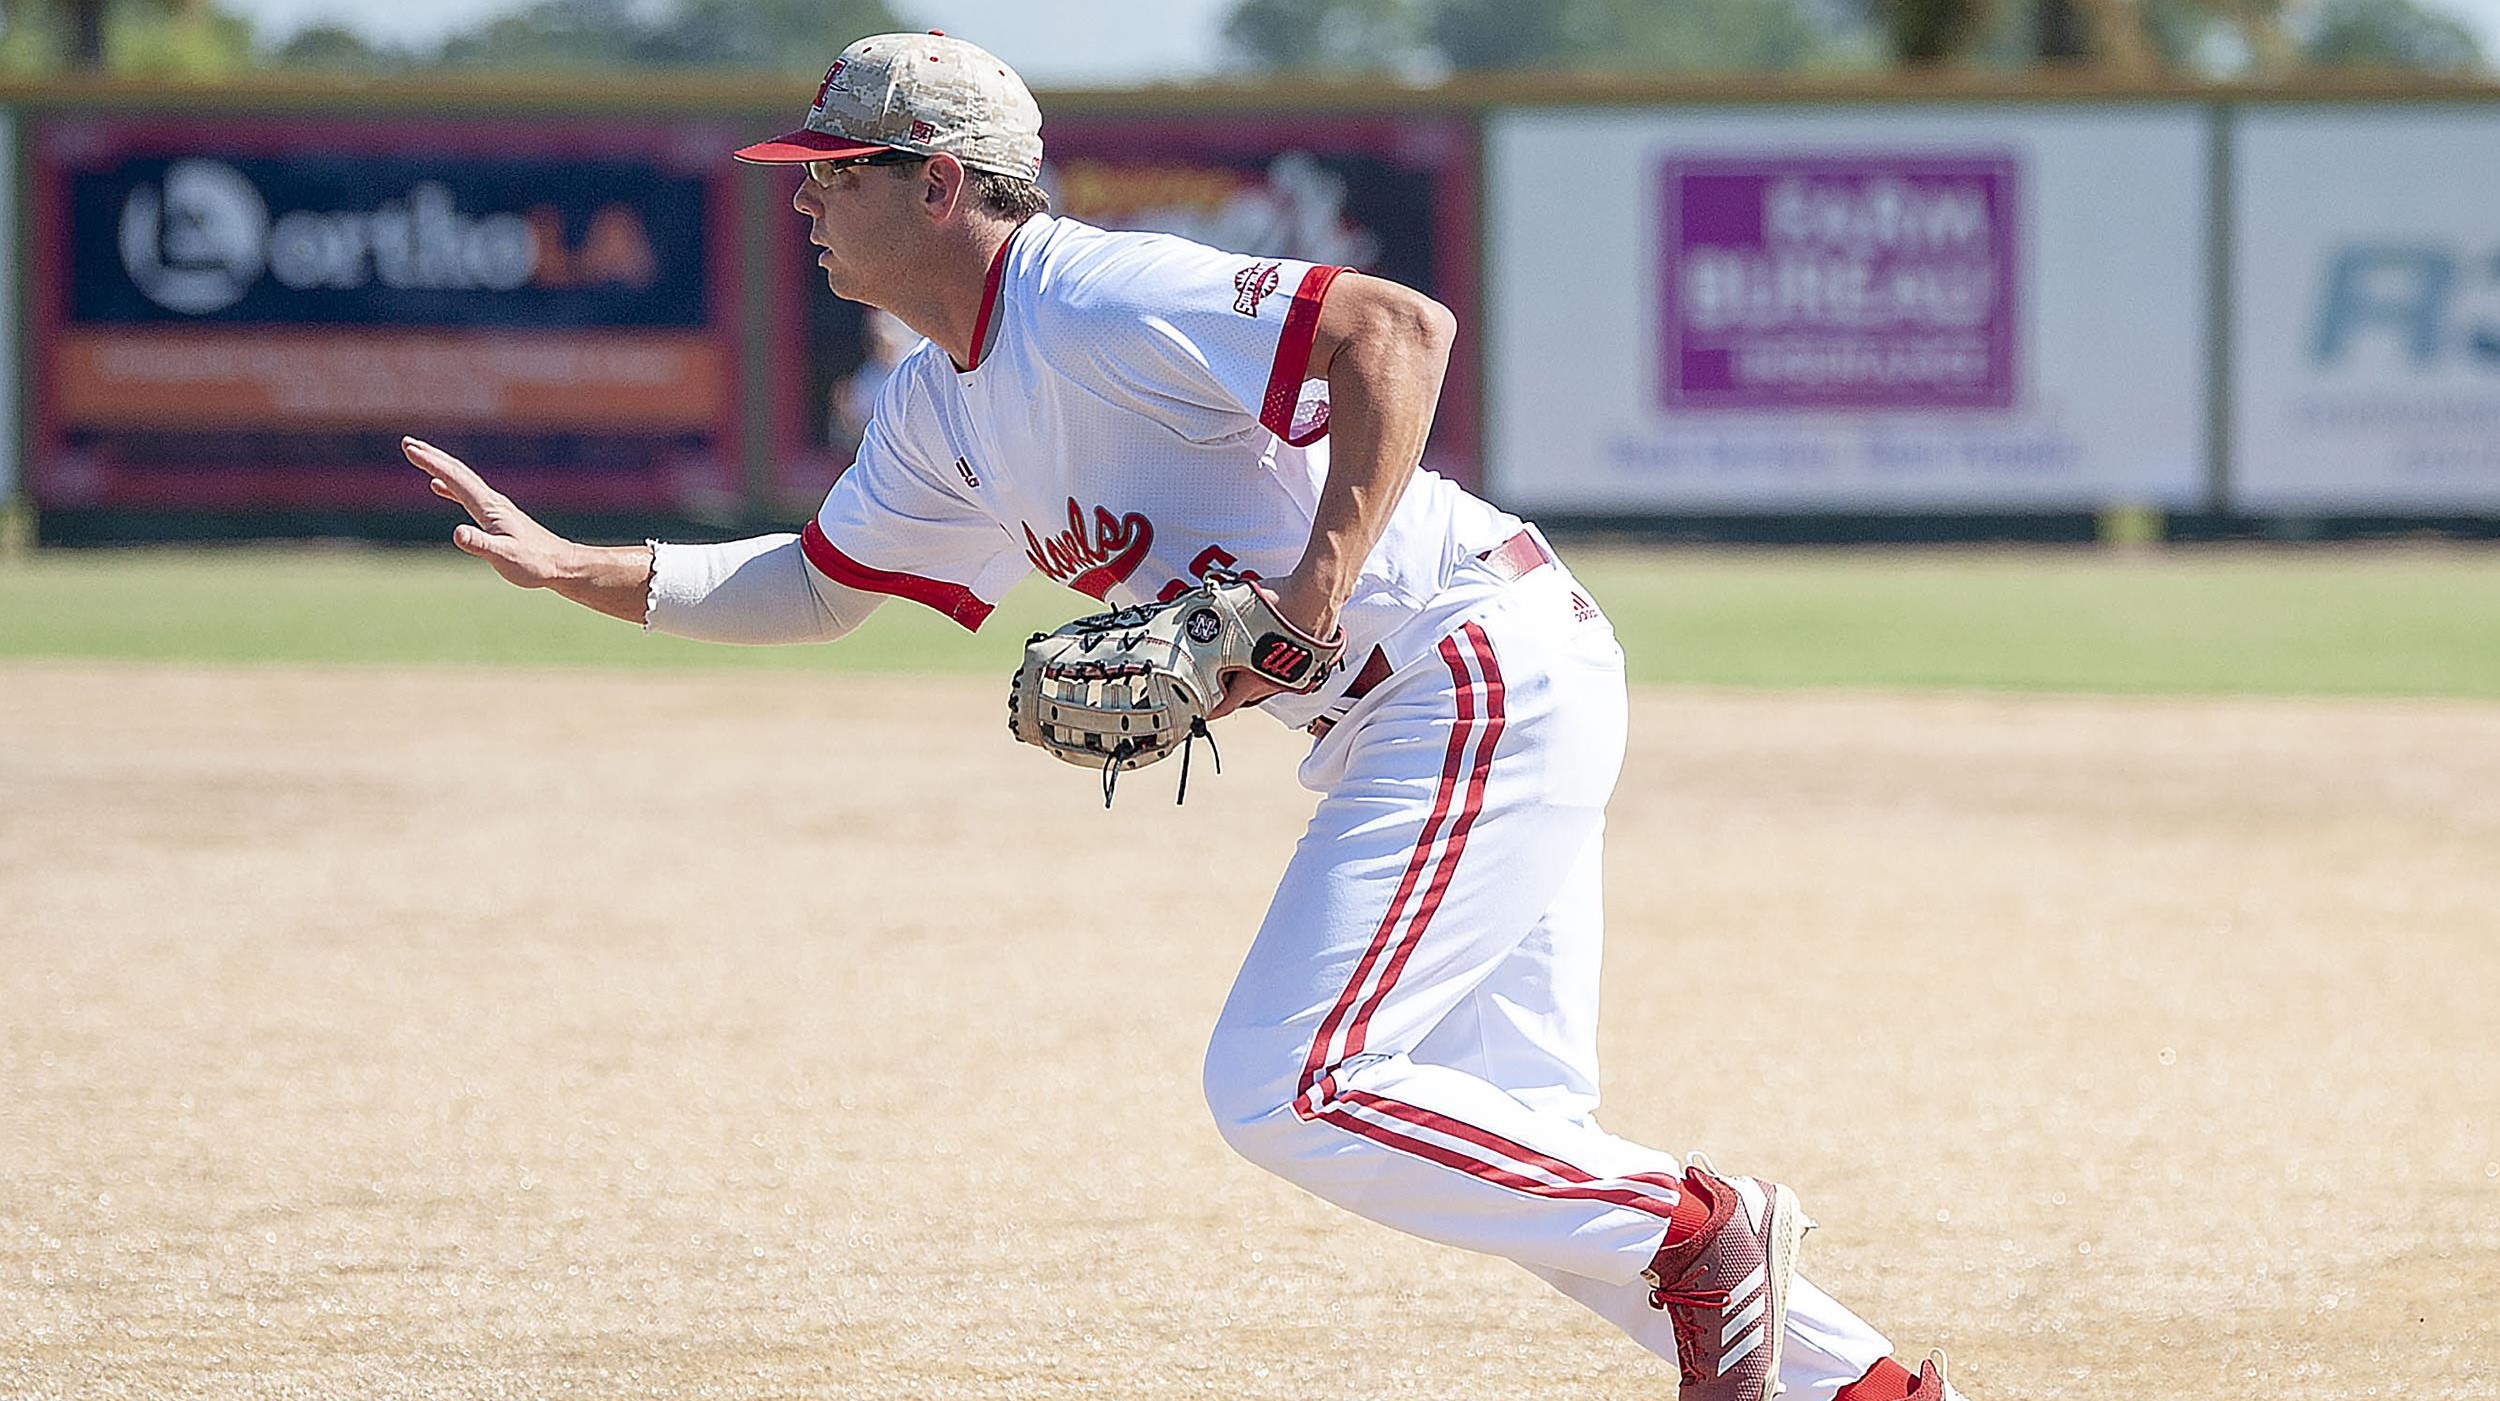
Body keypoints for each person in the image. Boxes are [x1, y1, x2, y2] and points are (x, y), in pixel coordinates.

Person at [404, 31, 1969, 1401]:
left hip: (1467, 661)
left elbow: (1396, 331)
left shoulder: (1091, 290)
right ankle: (1870, 1386)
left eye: (837, 169)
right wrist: (574, 567)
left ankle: (1707, 1228)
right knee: (1527, 1166)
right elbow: (815, 584)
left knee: (1292, 1084)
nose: (804, 197)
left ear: (940, 183)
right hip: (1418, 704)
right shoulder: (942, 400)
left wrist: (1303, 599)